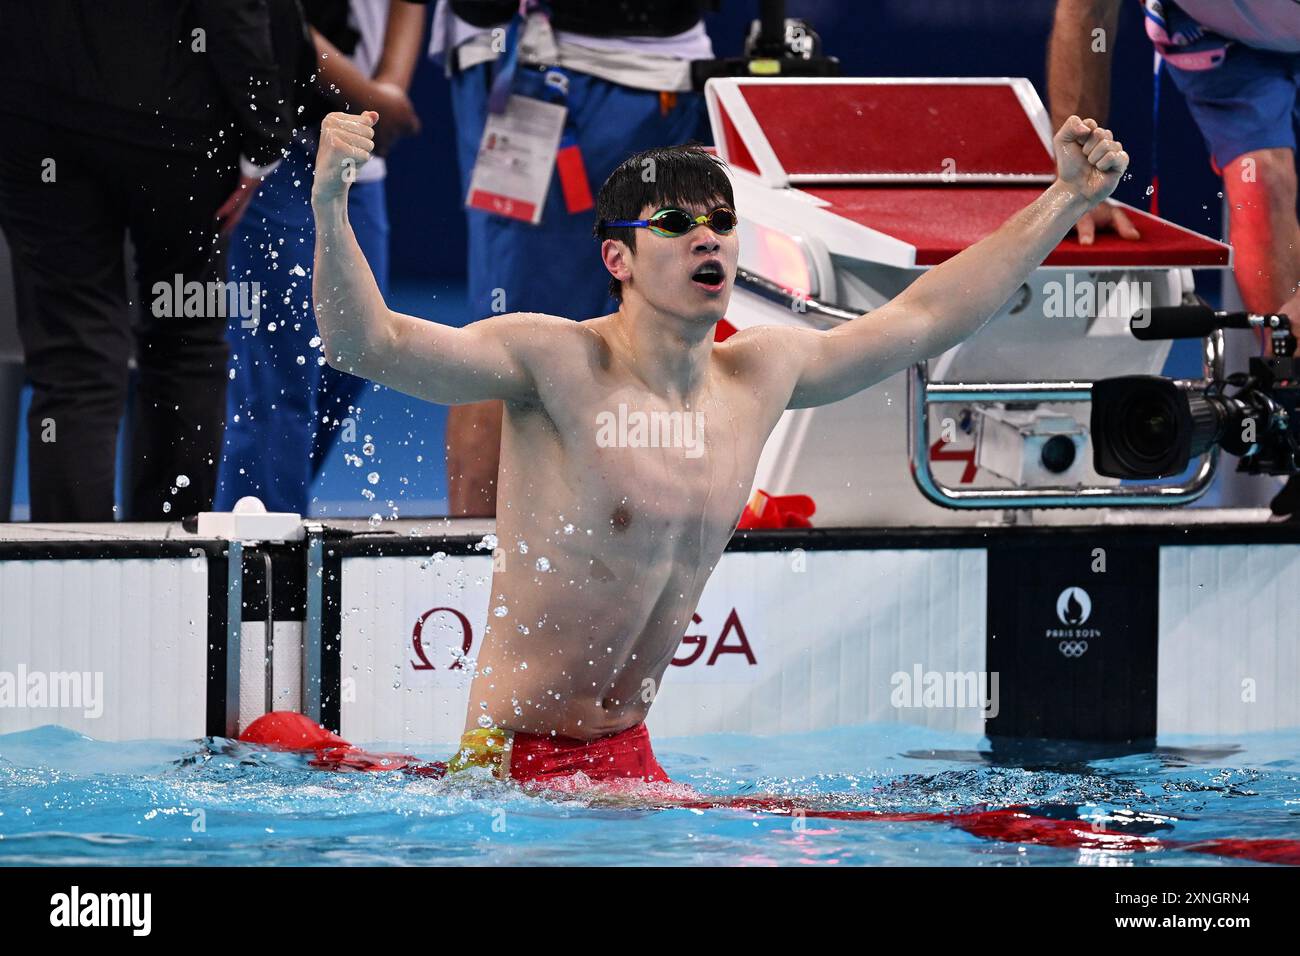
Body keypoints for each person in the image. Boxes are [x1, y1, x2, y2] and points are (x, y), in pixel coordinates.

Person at [309, 107, 1128, 786]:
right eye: (675, 222)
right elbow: (366, 343)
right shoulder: (557, 362)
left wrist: (1063, 198)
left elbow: (922, 320)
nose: (708, 238)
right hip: (517, 767)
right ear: (616, 259)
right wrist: (330, 207)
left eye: (721, 222)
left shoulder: (757, 374)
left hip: (632, 758)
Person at [0, 0, 296, 521]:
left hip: (34, 115)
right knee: (185, 342)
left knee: (74, 362)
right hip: (178, 125)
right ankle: (169, 576)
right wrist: (264, 136)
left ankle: (71, 582)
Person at [432, 0, 715, 517]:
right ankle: (477, 570)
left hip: (674, 72)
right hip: (542, 75)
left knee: (654, 329)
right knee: (510, 338)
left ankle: (626, 565)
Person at [1048, 0, 1300, 514]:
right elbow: (1087, 10)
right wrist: (1078, 184)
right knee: (1260, 189)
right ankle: (1292, 412)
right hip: (1221, 42)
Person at [216, 0, 426, 514]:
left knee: (355, 351)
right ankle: (259, 563)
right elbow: (263, 15)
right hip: (269, 141)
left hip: (357, 152)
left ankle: (252, 515)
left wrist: (389, 90)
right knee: (280, 372)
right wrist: (373, 98)